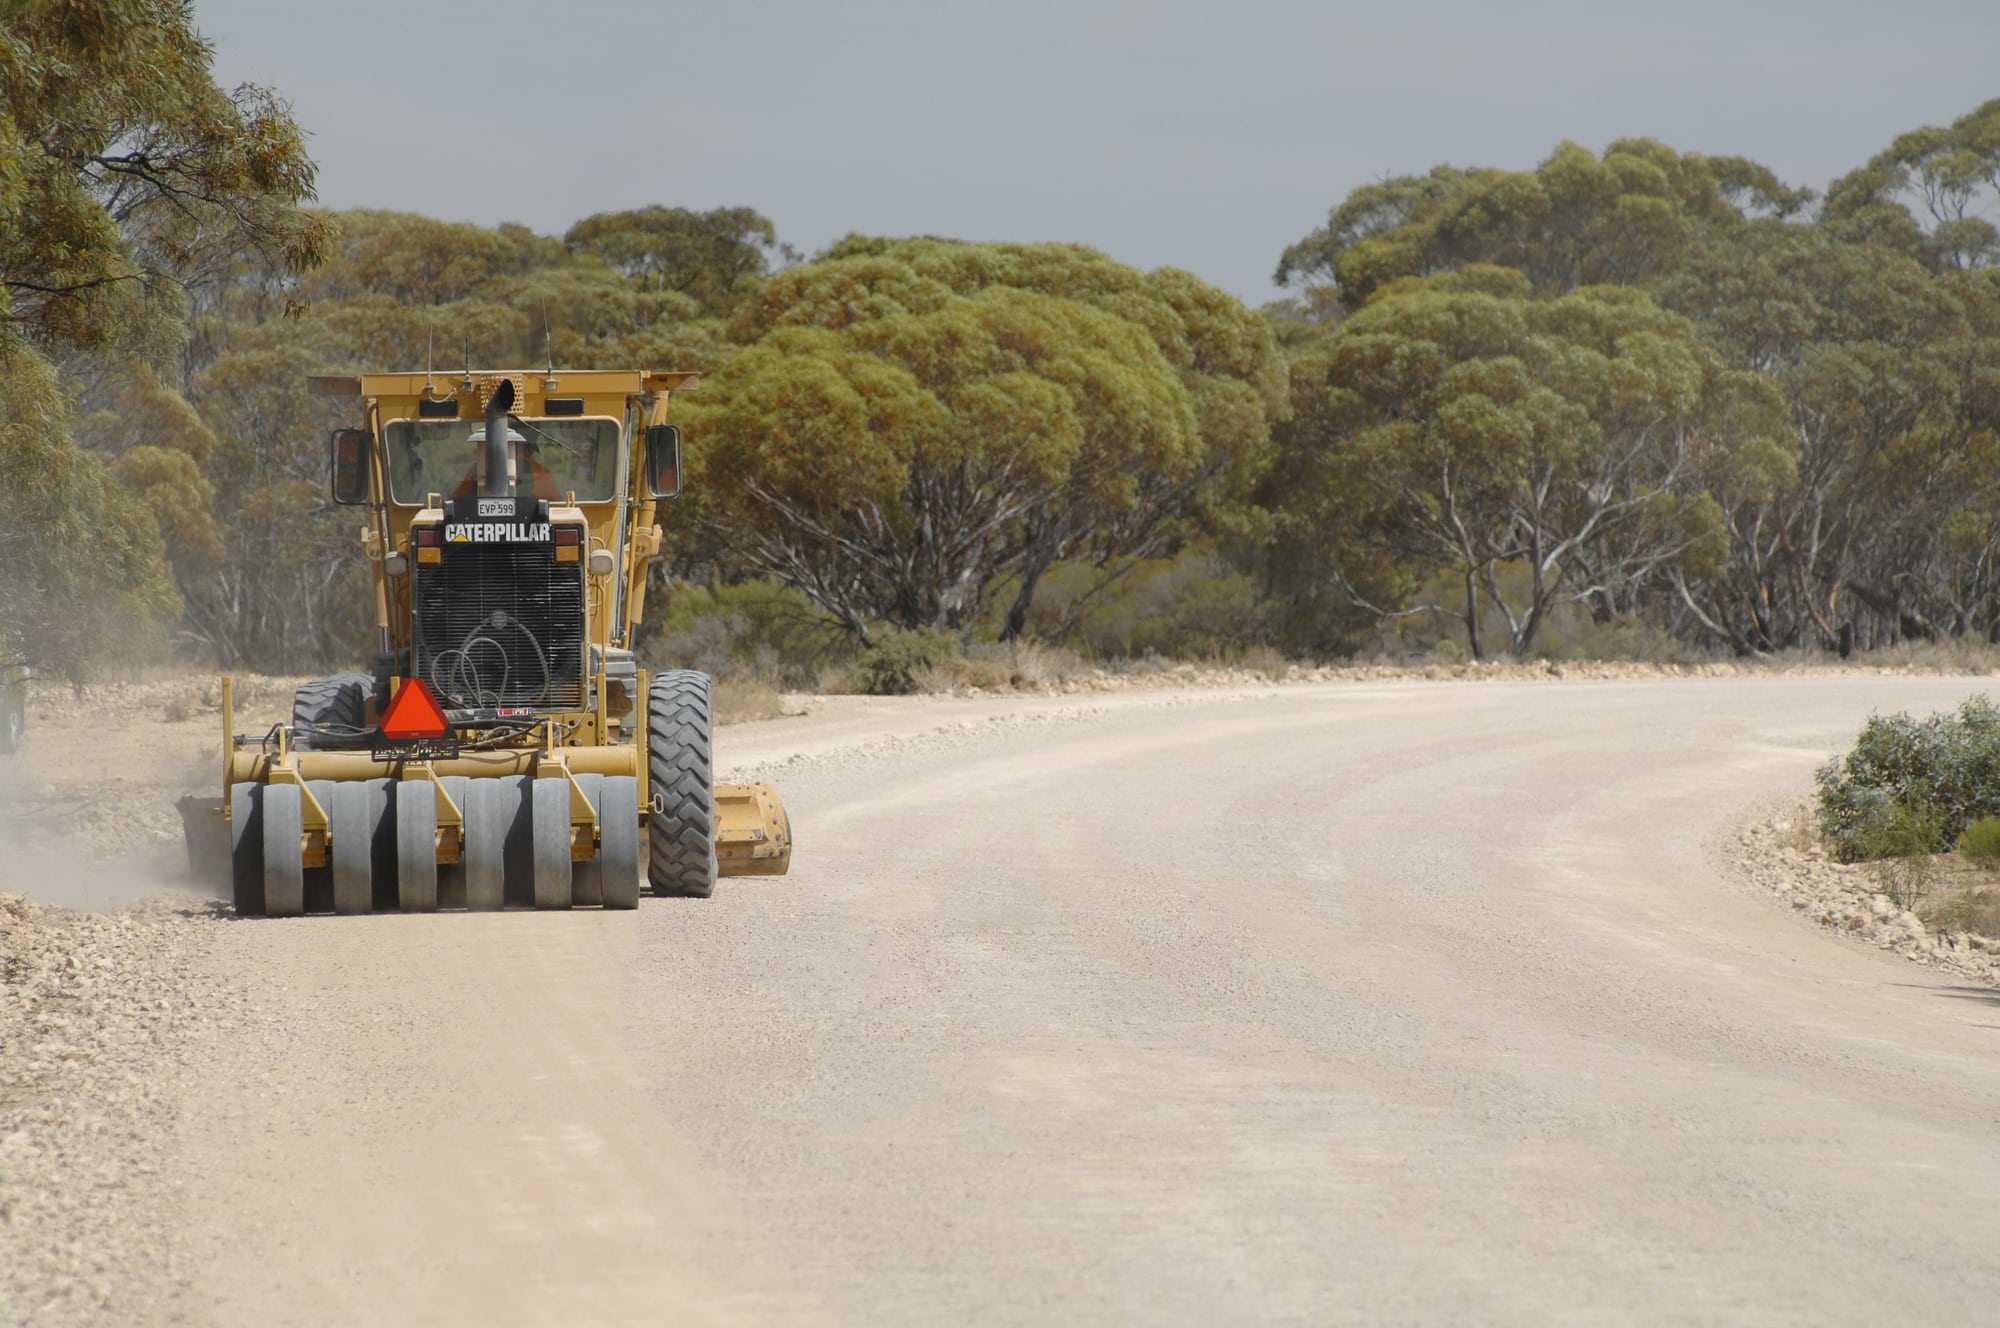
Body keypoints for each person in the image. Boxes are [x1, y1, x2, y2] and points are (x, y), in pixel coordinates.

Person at [453, 428, 558, 500]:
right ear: (529, 447)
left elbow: (458, 500)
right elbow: (555, 507)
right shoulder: (541, 472)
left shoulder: (478, 468)